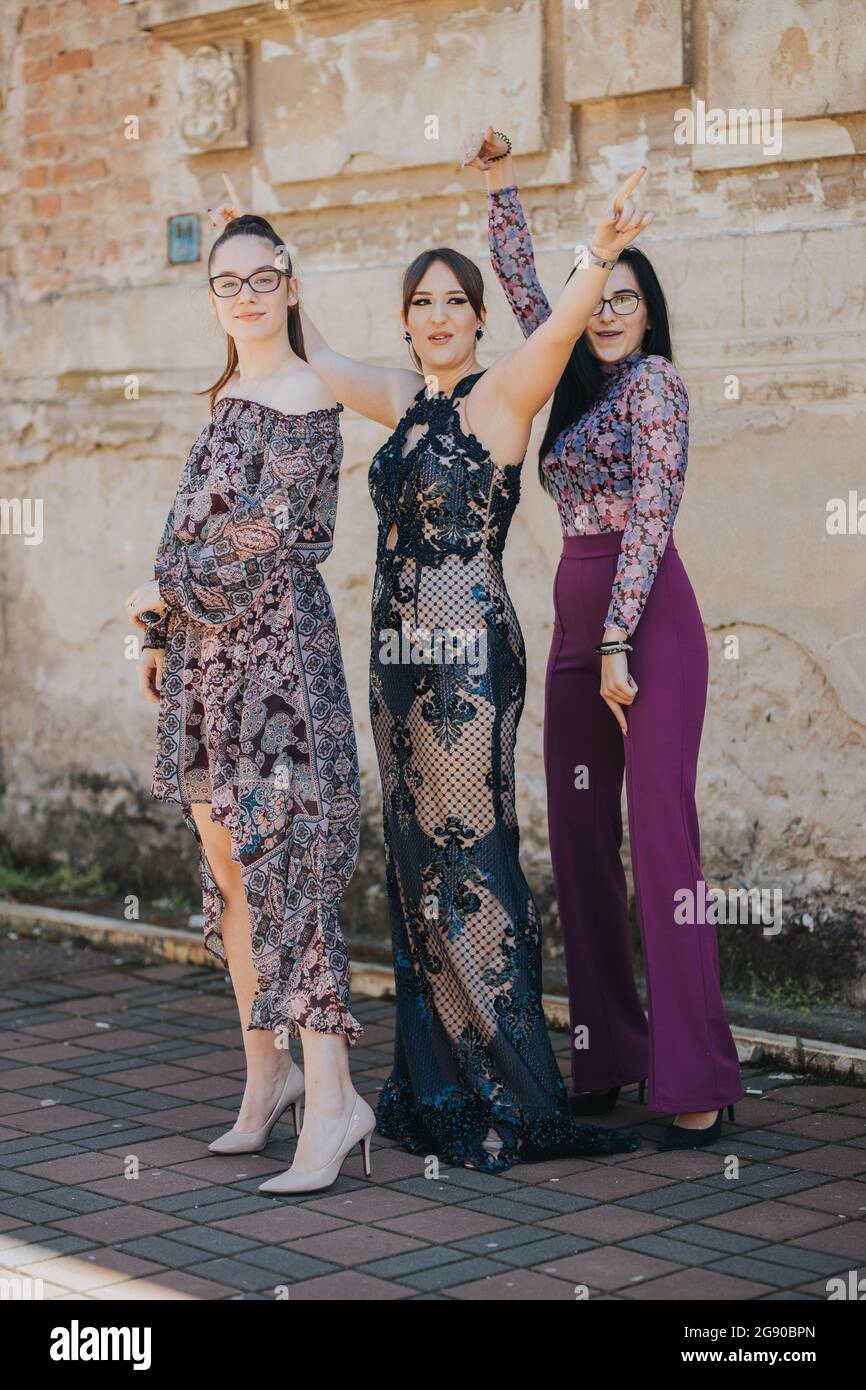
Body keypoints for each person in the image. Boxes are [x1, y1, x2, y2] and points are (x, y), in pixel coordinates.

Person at [292, 163, 652, 1171]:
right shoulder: (401, 399)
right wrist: (277, 281)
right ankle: (439, 1081)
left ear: (476, 318)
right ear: (406, 321)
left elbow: (560, 325)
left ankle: (510, 1087)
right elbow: (315, 359)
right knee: (416, 869)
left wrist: (600, 248)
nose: (439, 314)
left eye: (456, 301)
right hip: (394, 666)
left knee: (471, 862)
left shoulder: (504, 395)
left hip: (465, 665)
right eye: (422, 301)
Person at [468, 126, 743, 1150]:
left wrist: (621, 638)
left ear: (650, 312)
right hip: (577, 622)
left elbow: (653, 515)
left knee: (661, 844)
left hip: (646, 621)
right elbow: (521, 281)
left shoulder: (657, 387)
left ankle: (696, 1072)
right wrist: (500, 180)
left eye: (628, 296)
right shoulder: (573, 377)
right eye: (602, 297)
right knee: (580, 843)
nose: (611, 310)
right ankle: (608, 1054)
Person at [125, 193, 374, 1194]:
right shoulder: (228, 395)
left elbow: (264, 531)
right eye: (225, 281)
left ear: (291, 284)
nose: (242, 295)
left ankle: (334, 1101)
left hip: (275, 657)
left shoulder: (308, 394)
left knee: (287, 868)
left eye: (260, 278)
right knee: (227, 864)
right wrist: (159, 625)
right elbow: (189, 520)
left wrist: (160, 591)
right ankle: (264, 1075)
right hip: (203, 661)